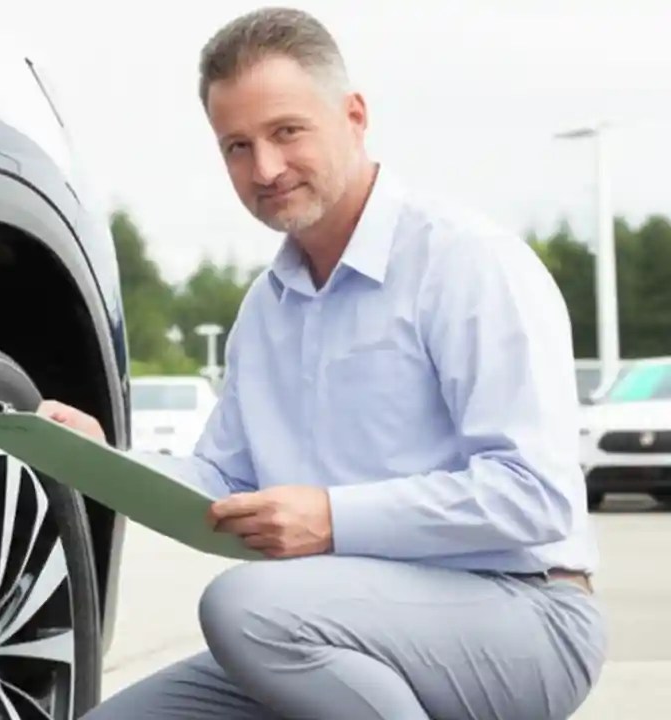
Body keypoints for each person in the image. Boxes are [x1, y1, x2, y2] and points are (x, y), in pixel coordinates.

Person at [39, 7, 607, 719]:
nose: (265, 169)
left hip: (521, 615)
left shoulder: (466, 263)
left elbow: (536, 495)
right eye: (237, 146)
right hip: (321, 630)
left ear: (354, 115)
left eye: (287, 132)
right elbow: (221, 485)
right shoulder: (266, 308)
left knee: (243, 605)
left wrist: (334, 520)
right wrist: (104, 462)